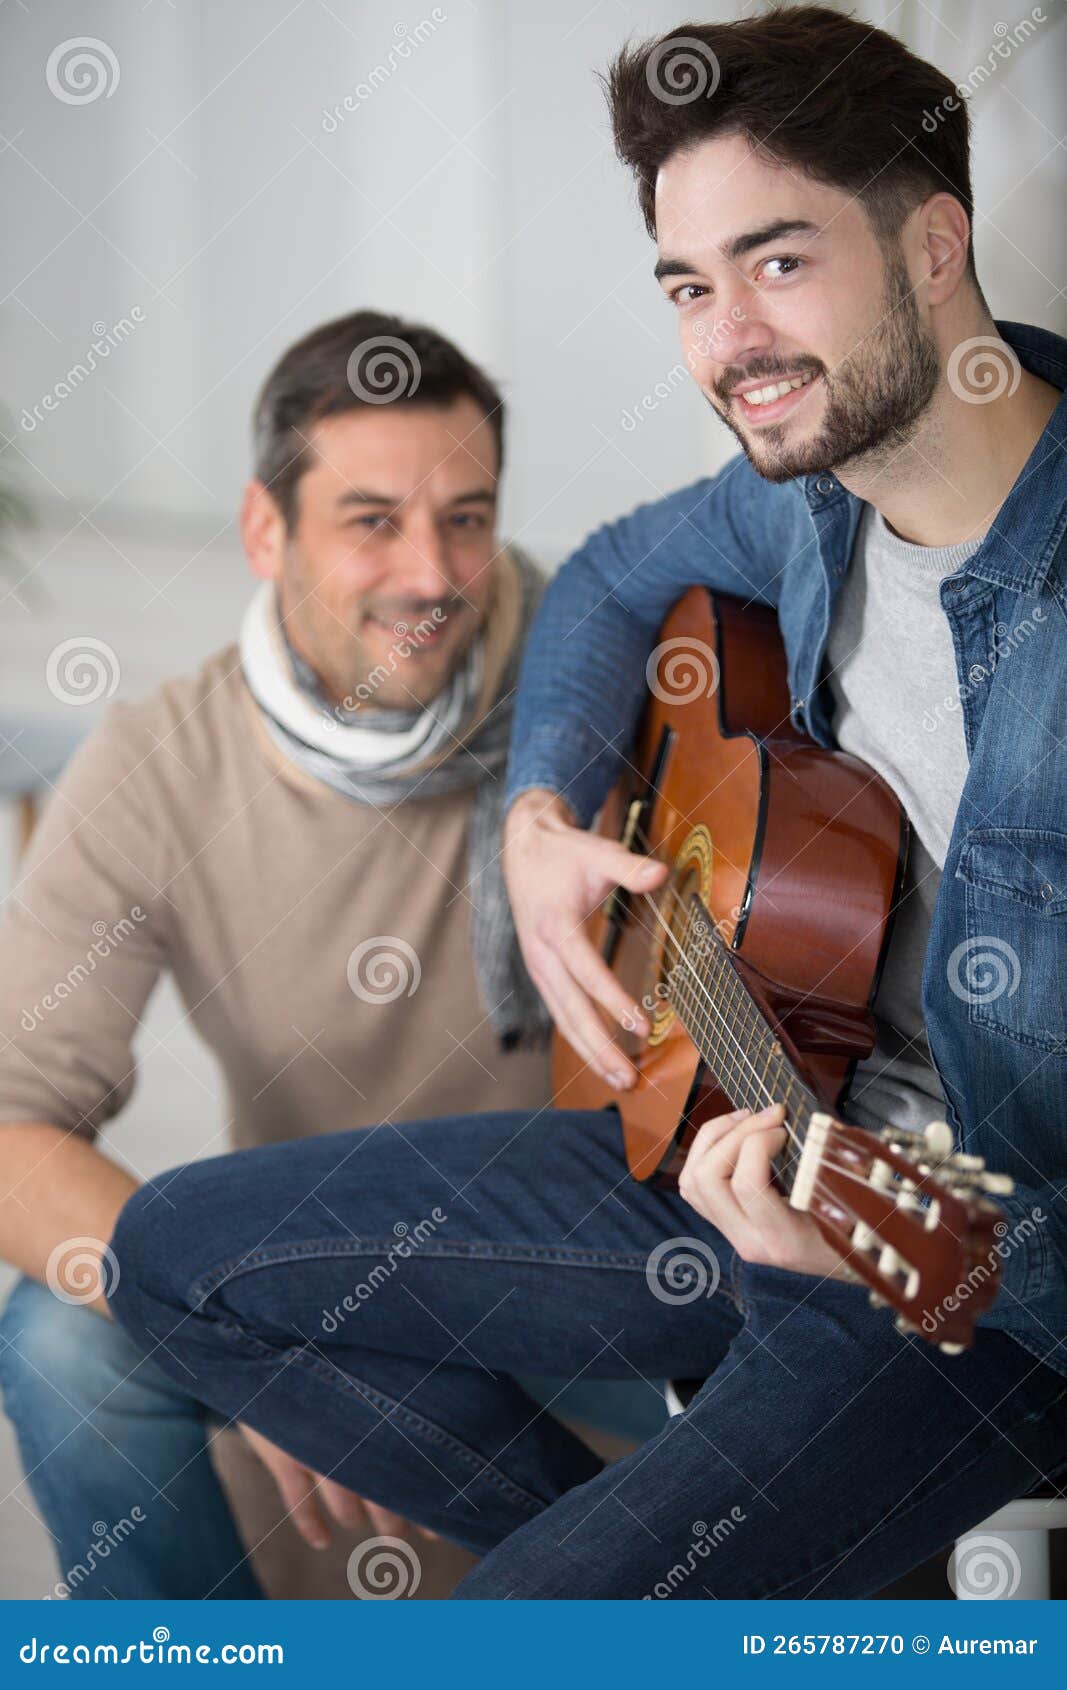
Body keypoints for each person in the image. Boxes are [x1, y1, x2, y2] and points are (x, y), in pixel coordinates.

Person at [104, 7, 1067, 1599]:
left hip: (968, 1301)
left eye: (779, 261)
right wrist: (538, 821)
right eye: (690, 287)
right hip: (750, 1128)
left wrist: (918, 1243)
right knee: (173, 1260)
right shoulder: (817, 503)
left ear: (939, 245)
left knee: (512, 1634)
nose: (728, 341)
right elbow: (615, 576)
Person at [0, 309, 650, 1601]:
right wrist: (240, 1338)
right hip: (304, 1276)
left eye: (468, 516)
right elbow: (13, 1123)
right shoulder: (160, 765)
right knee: (61, 1342)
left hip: (587, 1272)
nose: (434, 572)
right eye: (372, 520)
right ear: (265, 531)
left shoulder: (604, 678)